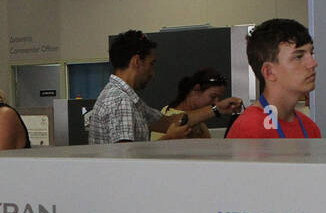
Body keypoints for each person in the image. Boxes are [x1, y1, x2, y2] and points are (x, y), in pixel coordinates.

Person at [88, 30, 240, 145]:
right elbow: (126, 160)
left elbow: (167, 121)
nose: (153, 73)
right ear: (136, 61)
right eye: (151, 64)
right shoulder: (120, 101)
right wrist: (170, 139)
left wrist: (217, 109)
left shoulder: (127, 99)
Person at [226, 18, 322, 140]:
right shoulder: (250, 131)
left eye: (311, 53)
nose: (313, 63)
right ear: (269, 72)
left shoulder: (310, 128)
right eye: (299, 56)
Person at [151, 68, 236, 140]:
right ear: (196, 89)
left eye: (219, 98)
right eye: (213, 96)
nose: (216, 102)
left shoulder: (197, 120)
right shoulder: (170, 118)